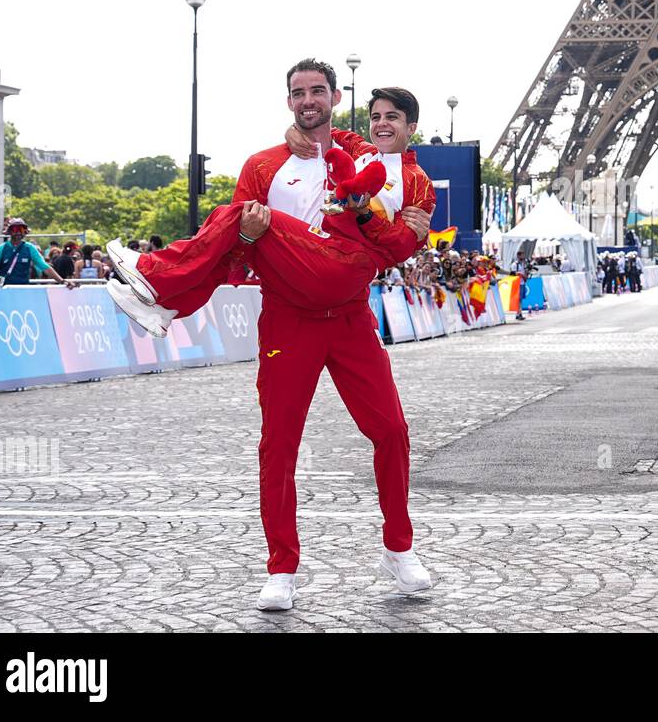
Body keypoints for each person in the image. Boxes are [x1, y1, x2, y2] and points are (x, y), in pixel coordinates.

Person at [109, 62, 436, 611]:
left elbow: (399, 239)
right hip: (289, 317)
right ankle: (281, 566)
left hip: (351, 317)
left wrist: (368, 218)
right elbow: (232, 247)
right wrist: (246, 230)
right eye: (297, 93)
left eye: (317, 92)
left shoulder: (359, 158)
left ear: (335, 97)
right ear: (288, 101)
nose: (308, 100)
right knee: (279, 444)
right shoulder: (264, 165)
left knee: (393, 432)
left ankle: (398, 547)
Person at [0, 219, 79, 289]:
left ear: (25, 232)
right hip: (5, 290)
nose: (18, 232)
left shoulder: (30, 248)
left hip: (23, 290)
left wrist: (62, 281)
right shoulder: (1, 249)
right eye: (15, 229)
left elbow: (45, 267)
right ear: (10, 232)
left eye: (22, 229)